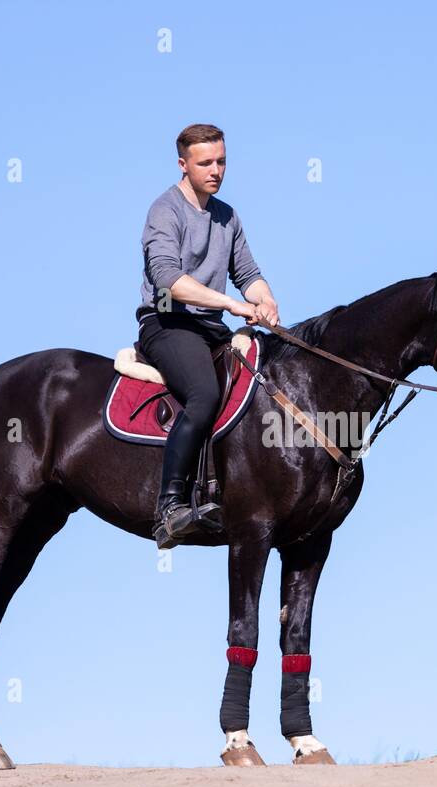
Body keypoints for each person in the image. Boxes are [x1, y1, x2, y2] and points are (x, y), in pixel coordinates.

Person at [136, 123, 281, 549]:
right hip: (167, 324)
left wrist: (265, 300)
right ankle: (170, 508)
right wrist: (233, 304)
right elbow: (167, 279)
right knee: (203, 392)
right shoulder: (164, 211)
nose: (216, 170)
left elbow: (248, 275)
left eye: (221, 161)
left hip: (210, 328)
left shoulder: (228, 216)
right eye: (205, 163)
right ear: (183, 165)